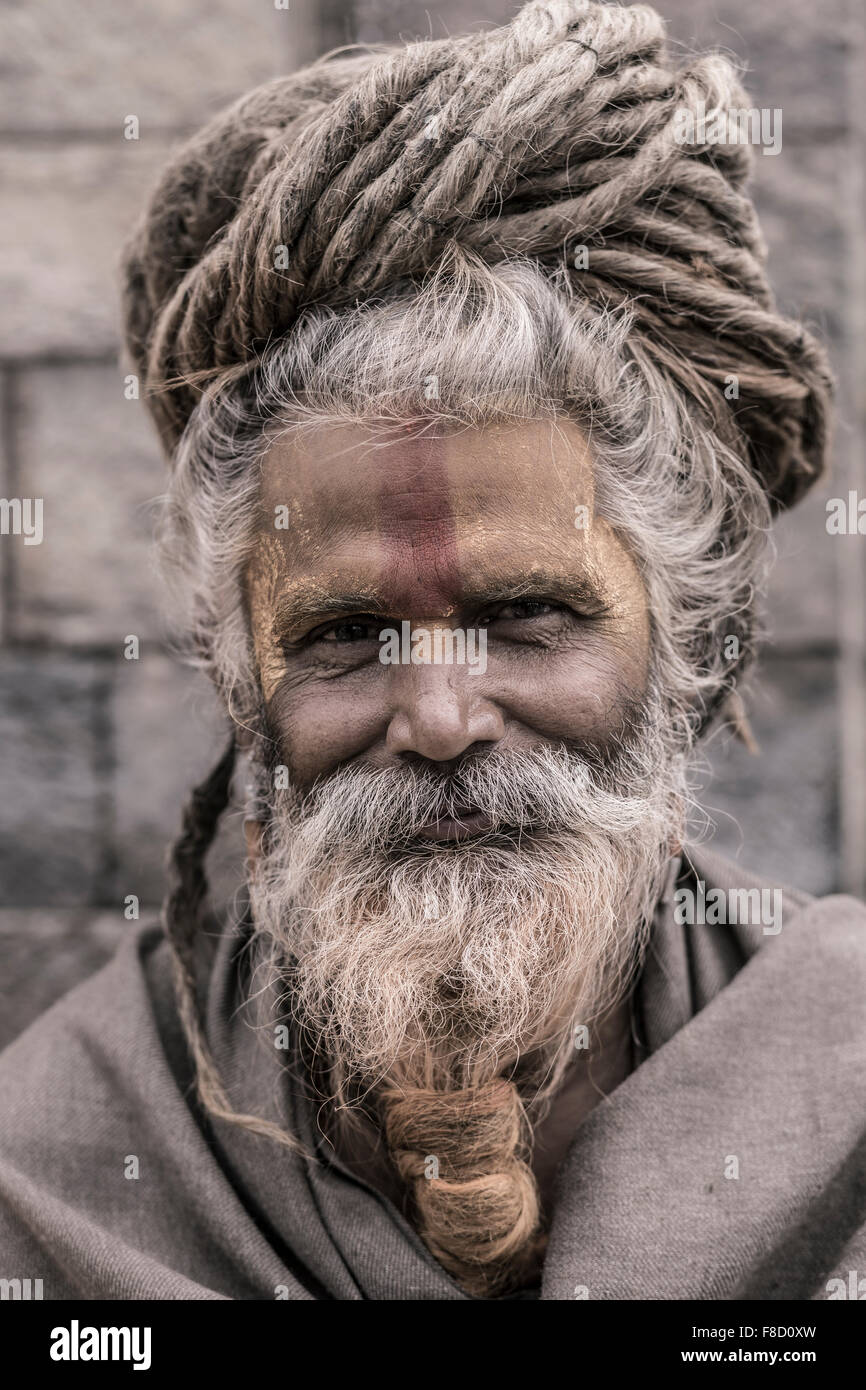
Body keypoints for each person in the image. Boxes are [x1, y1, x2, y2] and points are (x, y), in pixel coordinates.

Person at [1, 0, 863, 1301]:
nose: (442, 717)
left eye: (527, 614)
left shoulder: (847, 1078)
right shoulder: (55, 1169)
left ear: (688, 642)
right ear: (240, 675)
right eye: (346, 633)